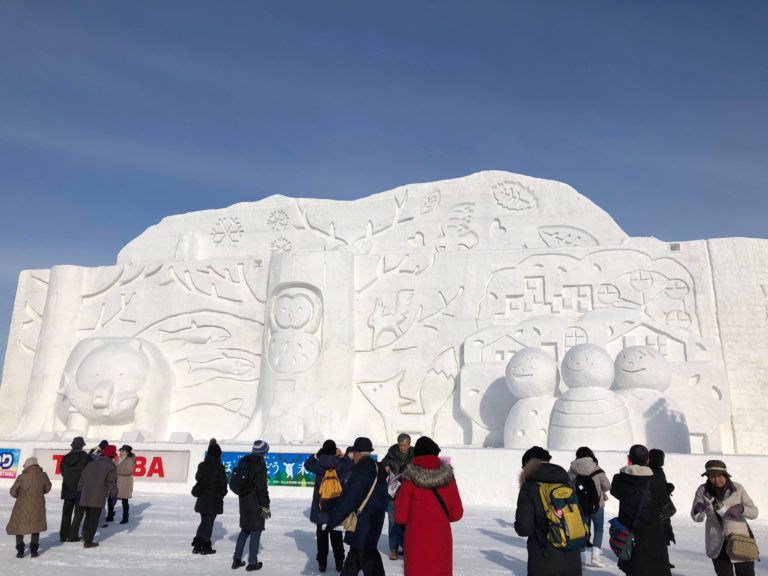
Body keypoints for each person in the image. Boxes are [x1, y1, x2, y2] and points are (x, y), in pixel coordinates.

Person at [395, 436, 463, 576]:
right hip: (441, 539)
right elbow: (457, 514)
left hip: (416, 540)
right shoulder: (448, 478)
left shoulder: (409, 479)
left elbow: (400, 516)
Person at [514, 446, 582, 576]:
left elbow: (524, 528)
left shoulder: (529, 488)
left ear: (527, 464)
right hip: (572, 556)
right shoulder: (565, 484)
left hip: (543, 557)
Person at [327, 436, 388, 576]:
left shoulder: (361, 470)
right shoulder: (377, 468)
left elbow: (349, 499)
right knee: (355, 556)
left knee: (368, 557)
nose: (353, 456)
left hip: (362, 524)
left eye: (353, 453)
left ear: (358, 453)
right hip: (374, 520)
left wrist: (333, 521)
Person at [610, 444, 671, 576]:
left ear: (629, 458)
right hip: (653, 534)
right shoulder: (656, 480)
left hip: (629, 532)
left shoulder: (619, 479)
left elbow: (615, 492)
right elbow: (667, 508)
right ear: (648, 460)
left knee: (633, 569)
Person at [691, 460, 758, 576]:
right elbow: (697, 518)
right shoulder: (702, 491)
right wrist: (697, 510)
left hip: (740, 541)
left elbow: (754, 513)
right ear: (708, 477)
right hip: (717, 544)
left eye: (720, 476)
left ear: (726, 475)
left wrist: (742, 509)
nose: (717, 480)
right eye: (712, 477)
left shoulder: (738, 488)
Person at [304, 439, 353, 572]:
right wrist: (342, 455)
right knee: (336, 536)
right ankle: (339, 562)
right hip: (336, 508)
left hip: (321, 508)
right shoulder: (340, 465)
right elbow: (350, 465)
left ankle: (322, 563)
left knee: (322, 537)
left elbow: (307, 464)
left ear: (323, 451)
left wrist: (317, 454)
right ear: (335, 450)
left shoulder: (318, 465)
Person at [232, 440, 271, 571]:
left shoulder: (244, 461)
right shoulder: (259, 465)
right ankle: (252, 563)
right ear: (263, 452)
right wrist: (265, 505)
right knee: (256, 531)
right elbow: (261, 488)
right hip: (255, 502)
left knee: (245, 530)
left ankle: (236, 560)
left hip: (243, 501)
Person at [568, 446, 610, 567]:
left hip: (580, 506)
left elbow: (568, 485)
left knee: (582, 530)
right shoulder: (596, 468)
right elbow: (607, 486)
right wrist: (600, 491)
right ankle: (596, 557)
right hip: (597, 505)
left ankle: (581, 559)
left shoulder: (573, 469)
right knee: (598, 529)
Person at [6, 457, 52, 558]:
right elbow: (48, 488)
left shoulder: (21, 477)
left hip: (21, 506)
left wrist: (20, 495)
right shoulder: (43, 476)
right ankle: (34, 551)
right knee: (36, 527)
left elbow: (13, 492)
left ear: (27, 466)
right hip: (38, 506)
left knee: (19, 527)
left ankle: (20, 551)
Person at [192, 438, 228, 555]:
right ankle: (205, 546)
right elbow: (223, 484)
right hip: (214, 500)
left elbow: (198, 478)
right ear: (218, 454)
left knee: (203, 522)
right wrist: (222, 493)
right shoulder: (220, 467)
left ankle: (197, 546)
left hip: (202, 498)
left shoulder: (201, 465)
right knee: (209, 523)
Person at [77, 443, 118, 548]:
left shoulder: (92, 463)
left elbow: (82, 478)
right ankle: (88, 541)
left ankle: (84, 535)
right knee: (94, 519)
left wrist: (80, 491)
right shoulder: (111, 466)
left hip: (86, 494)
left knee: (88, 516)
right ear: (112, 456)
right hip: (98, 495)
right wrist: (114, 494)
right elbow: (111, 482)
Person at [380, 433, 414, 561]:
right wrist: (385, 467)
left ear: (409, 444)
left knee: (407, 523)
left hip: (409, 495)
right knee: (393, 523)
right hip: (393, 495)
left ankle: (407, 548)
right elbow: (383, 465)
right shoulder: (391, 453)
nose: (402, 447)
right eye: (400, 445)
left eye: (405, 445)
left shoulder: (415, 455)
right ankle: (393, 549)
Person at [649, 448, 676, 568]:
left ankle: (663, 560)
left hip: (662, 507)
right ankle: (656, 560)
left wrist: (668, 489)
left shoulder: (659, 471)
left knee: (663, 535)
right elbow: (654, 491)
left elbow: (661, 489)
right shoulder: (649, 471)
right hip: (655, 509)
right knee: (656, 536)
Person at [59, 436, 88, 542]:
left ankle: (63, 535)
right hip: (80, 488)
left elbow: (62, 471)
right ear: (82, 446)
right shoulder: (85, 457)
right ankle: (73, 535)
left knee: (66, 513)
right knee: (79, 513)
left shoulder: (66, 457)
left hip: (67, 487)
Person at [116, 445, 136, 525]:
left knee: (124, 500)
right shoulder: (119, 458)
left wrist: (116, 469)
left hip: (125, 482)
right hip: (118, 481)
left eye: (123, 451)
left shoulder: (130, 460)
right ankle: (110, 515)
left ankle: (125, 517)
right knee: (111, 498)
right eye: (120, 450)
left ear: (127, 452)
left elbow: (127, 471)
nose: (121, 452)